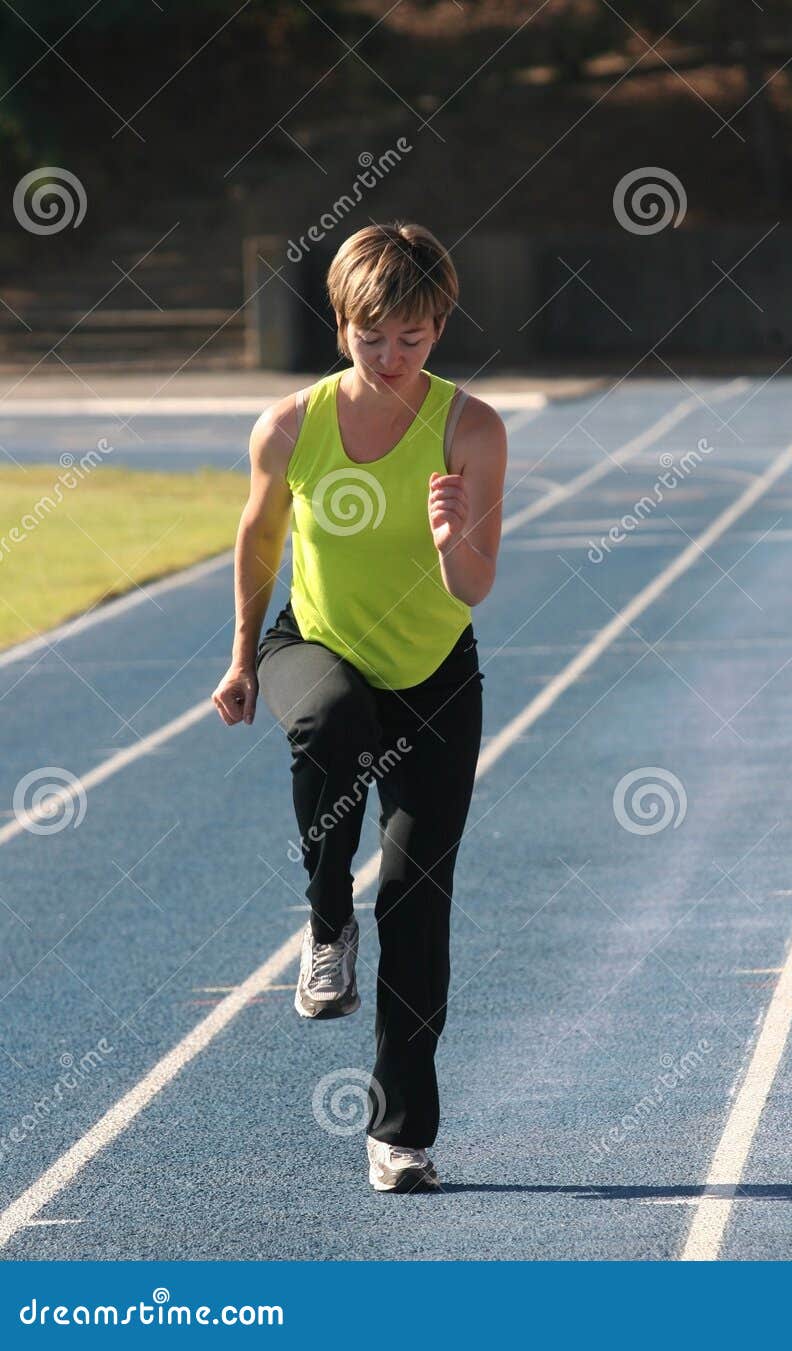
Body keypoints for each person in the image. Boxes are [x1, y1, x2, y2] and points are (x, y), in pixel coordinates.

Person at [210, 222, 508, 1192]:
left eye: (413, 338)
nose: (391, 357)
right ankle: (326, 920)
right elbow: (259, 543)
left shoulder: (472, 429)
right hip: (316, 644)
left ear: (439, 327)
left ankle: (400, 1131)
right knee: (330, 721)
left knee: (419, 904)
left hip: (433, 675)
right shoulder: (289, 427)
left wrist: (452, 537)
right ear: (340, 324)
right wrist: (242, 656)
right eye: (372, 336)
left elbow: (472, 589)